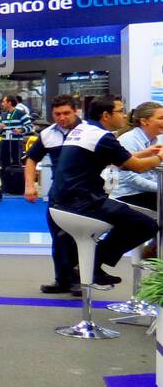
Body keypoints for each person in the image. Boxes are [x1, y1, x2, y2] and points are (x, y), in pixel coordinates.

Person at [44, 95, 161, 289]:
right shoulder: (102, 136)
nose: (125, 116)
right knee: (145, 225)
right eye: (120, 111)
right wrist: (159, 157)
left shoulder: (83, 131)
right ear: (106, 115)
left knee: (135, 220)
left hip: (62, 200)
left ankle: (89, 264)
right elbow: (137, 167)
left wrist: (146, 154)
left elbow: (114, 159)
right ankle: (91, 265)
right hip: (82, 203)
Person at [24, 94, 82, 293]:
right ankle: (62, 280)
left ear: (76, 111)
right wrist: (30, 186)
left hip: (85, 194)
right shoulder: (47, 134)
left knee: (78, 237)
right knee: (58, 238)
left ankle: (79, 279)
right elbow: (31, 159)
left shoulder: (89, 132)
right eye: (57, 114)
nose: (62, 117)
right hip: (58, 193)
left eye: (66, 113)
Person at [110, 102, 163, 209]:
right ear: (144, 121)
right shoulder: (128, 140)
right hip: (127, 194)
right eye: (161, 118)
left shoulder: (156, 139)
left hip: (147, 191)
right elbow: (130, 178)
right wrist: (160, 187)